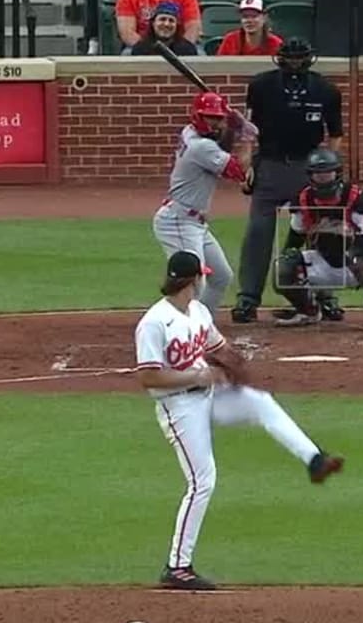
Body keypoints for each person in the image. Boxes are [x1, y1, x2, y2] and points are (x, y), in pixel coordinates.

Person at [136, 250, 345, 591]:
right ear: (192, 280)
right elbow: (148, 377)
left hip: (208, 397)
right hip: (179, 407)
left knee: (260, 402)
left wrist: (236, 366)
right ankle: (177, 567)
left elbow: (218, 348)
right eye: (202, 276)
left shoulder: (198, 312)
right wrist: (198, 376)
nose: (205, 281)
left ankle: (314, 459)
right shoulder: (154, 322)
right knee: (202, 481)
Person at [231, 36, 343, 324]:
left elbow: (335, 134)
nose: (295, 63)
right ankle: (248, 298)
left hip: (308, 168)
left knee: (318, 233)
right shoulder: (261, 86)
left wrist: (329, 169)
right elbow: (248, 130)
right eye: (290, 57)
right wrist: (246, 164)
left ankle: (324, 297)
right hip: (269, 164)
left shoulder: (326, 90)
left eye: (299, 57)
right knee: (258, 233)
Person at [272, 147, 363, 331]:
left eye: (328, 174)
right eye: (318, 175)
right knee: (283, 266)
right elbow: (294, 240)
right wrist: (289, 265)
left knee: (362, 261)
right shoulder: (302, 200)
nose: (323, 179)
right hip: (324, 261)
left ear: (338, 174)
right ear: (310, 176)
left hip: (356, 261)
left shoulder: (357, 198)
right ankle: (308, 310)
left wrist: (349, 238)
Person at [151, 91, 254, 311]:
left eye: (218, 118)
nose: (216, 123)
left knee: (221, 276)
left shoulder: (189, 132)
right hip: (178, 221)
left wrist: (232, 127)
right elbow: (240, 171)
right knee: (193, 282)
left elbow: (219, 148)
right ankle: (179, 323)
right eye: (211, 117)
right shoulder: (201, 147)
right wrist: (246, 137)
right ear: (199, 115)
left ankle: (202, 323)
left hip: (193, 221)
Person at [216, 0, 282, 55]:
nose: (249, 21)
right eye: (245, 16)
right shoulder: (230, 40)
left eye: (254, 16)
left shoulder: (275, 43)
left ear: (264, 18)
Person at [129, 0, 199, 55]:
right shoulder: (140, 49)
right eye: (162, 19)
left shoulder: (188, 50)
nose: (166, 24)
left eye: (171, 21)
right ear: (153, 23)